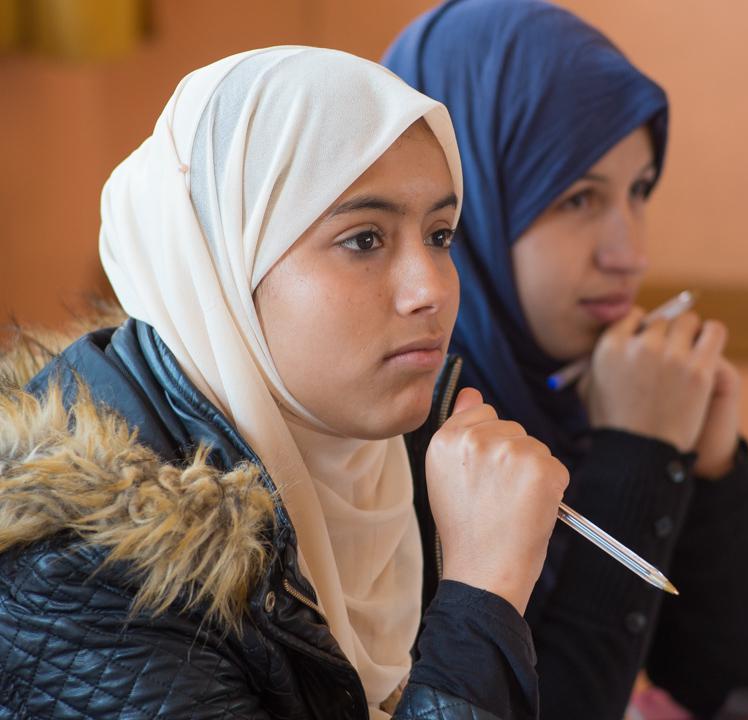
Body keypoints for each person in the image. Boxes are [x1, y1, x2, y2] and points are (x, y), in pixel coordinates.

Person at [0, 46, 569, 719]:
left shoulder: (409, 463)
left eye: (441, 235)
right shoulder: (86, 567)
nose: (430, 291)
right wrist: (482, 595)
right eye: (364, 239)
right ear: (222, 265)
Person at [384, 2, 748, 717]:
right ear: (467, 201)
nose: (629, 253)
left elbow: (732, 686)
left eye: (638, 191)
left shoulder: (571, 385)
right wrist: (638, 451)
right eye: (576, 198)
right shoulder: (392, 424)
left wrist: (712, 465)